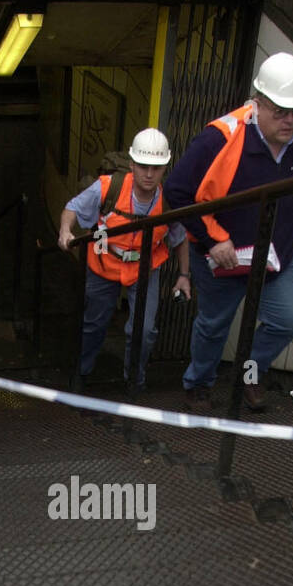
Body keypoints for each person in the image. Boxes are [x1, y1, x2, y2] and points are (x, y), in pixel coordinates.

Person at [162, 52, 293, 414]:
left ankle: (249, 372)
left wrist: (291, 234)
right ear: (258, 104)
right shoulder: (218, 139)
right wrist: (214, 238)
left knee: (289, 318)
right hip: (223, 253)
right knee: (214, 324)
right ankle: (199, 385)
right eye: (280, 111)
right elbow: (177, 191)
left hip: (278, 250)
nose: (289, 120)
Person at [58, 129, 191, 391]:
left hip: (144, 267)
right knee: (94, 323)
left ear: (165, 167)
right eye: (143, 166)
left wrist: (184, 275)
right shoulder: (109, 187)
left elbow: (179, 237)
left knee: (143, 330)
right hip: (104, 262)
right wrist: (65, 230)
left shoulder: (168, 200)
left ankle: (134, 379)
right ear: (132, 165)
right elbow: (72, 207)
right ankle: (82, 371)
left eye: (156, 167)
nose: (149, 174)